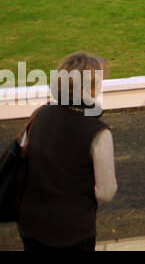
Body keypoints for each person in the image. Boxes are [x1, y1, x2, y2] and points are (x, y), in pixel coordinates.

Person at [15, 52, 115, 251]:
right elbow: (106, 192)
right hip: (73, 232)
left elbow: (24, 162)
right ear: (91, 88)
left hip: (31, 226)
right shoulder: (98, 133)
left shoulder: (39, 115)